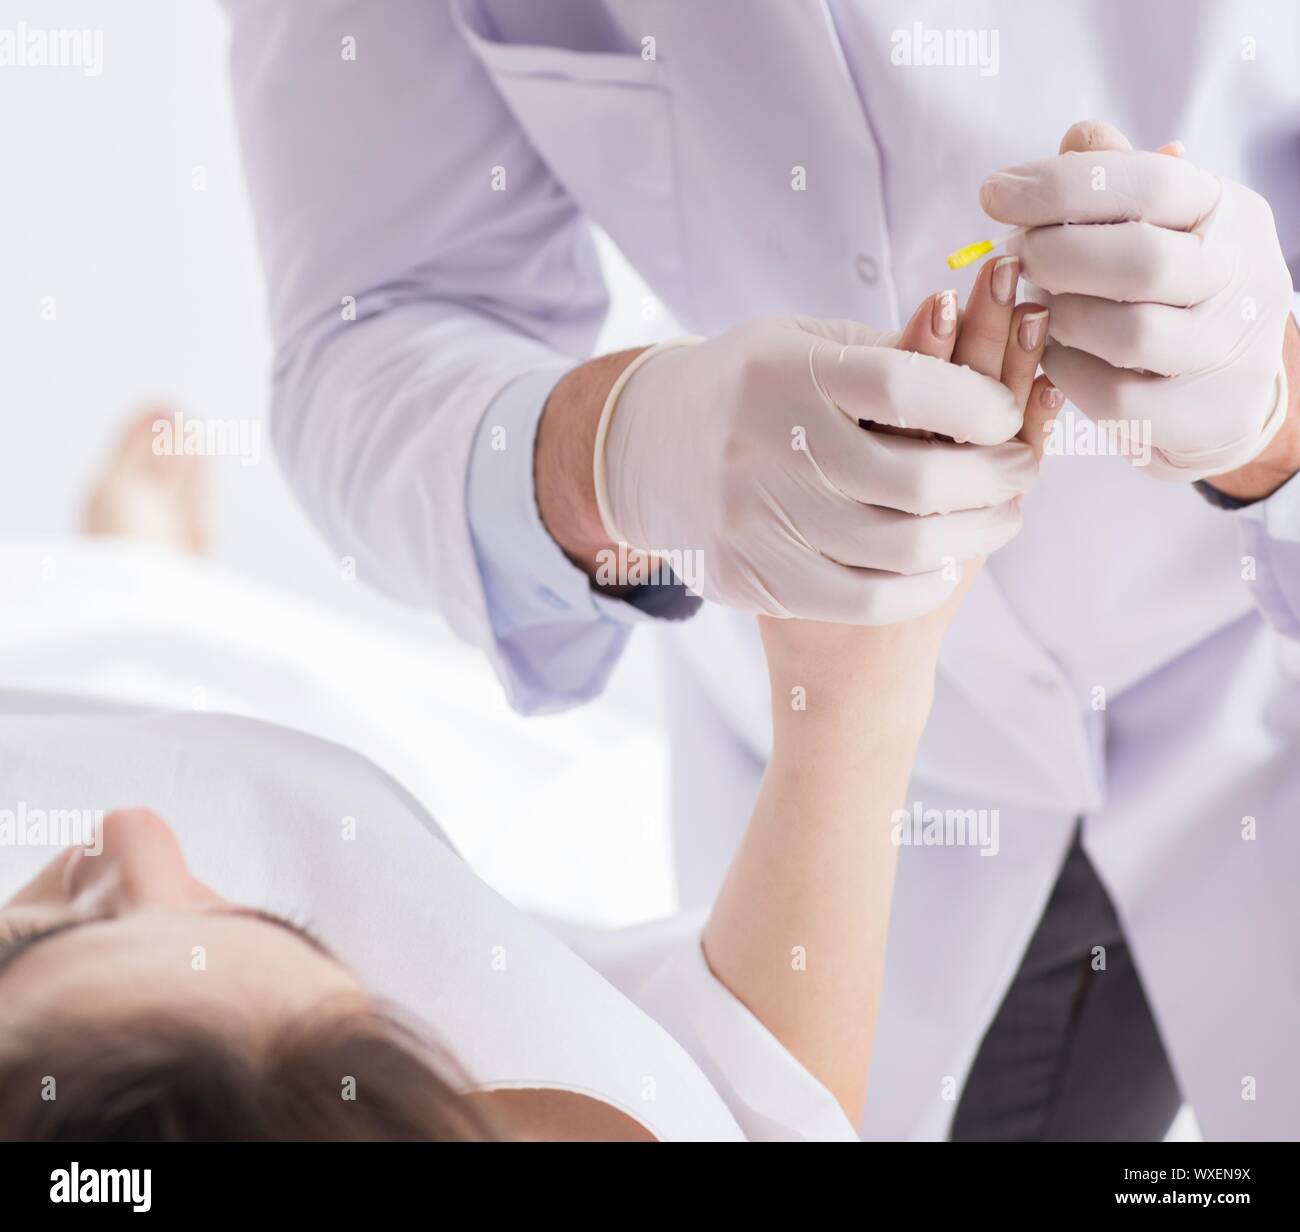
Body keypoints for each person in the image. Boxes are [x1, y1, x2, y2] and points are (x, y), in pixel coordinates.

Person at [222, 0, 1300, 1140]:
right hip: (872, 776)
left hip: (1255, 680)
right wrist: (614, 451)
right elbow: (367, 322)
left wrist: (1275, 399)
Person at [0, 279, 1052, 1141]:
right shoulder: (557, 1082)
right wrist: (857, 677)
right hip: (426, 838)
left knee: (99, 641)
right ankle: (149, 594)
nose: (132, 833)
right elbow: (760, 1102)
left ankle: (134, 578)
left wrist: (603, 446)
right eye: (286, 928)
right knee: (366, 711)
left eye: (35, 938)